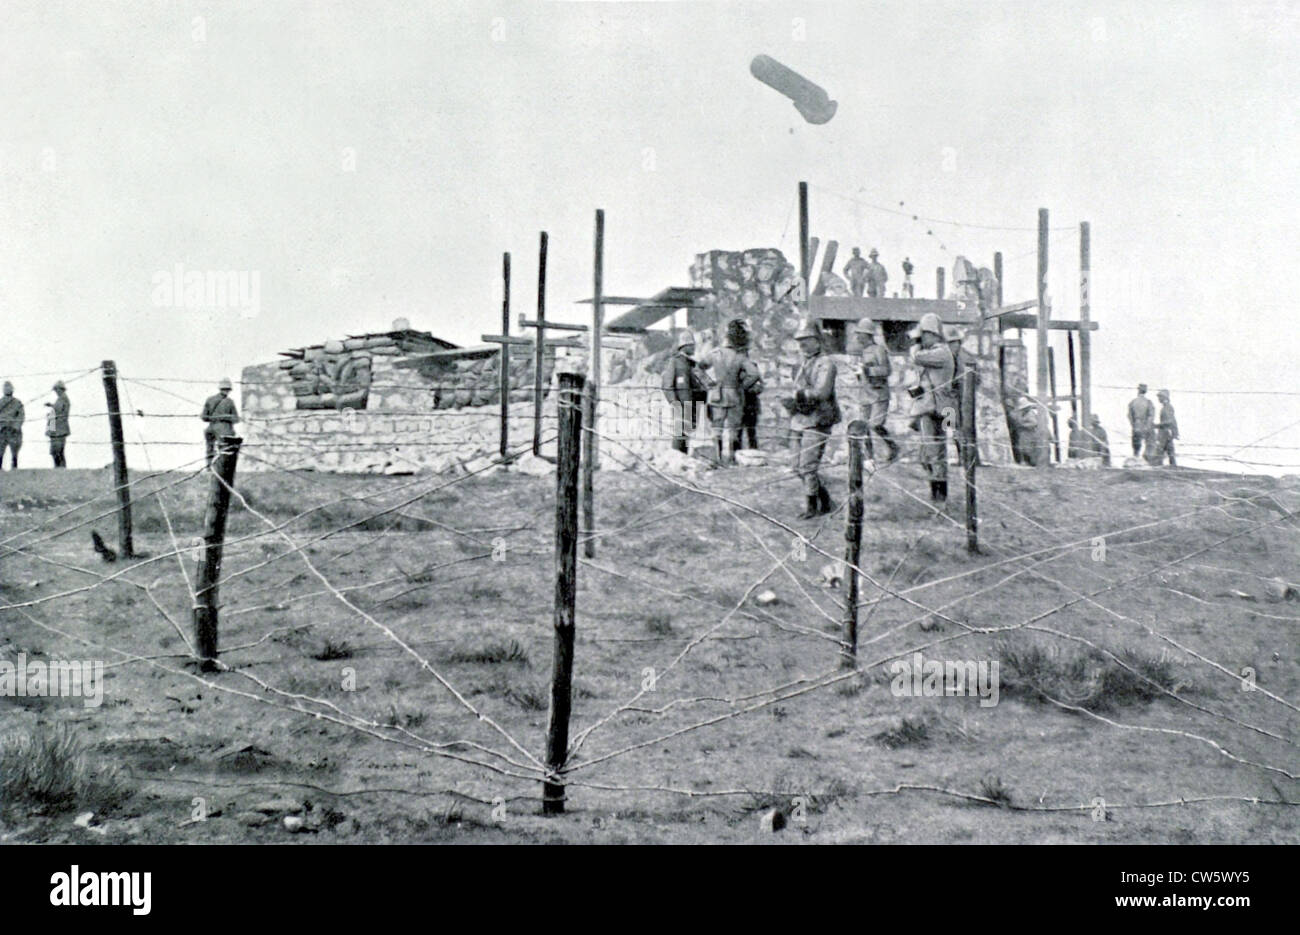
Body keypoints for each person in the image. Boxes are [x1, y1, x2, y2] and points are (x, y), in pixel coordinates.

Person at [787, 320, 840, 519]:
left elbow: (822, 392)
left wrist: (800, 394)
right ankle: (826, 501)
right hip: (800, 418)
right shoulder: (803, 363)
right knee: (796, 466)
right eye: (800, 341)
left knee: (808, 466)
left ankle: (812, 507)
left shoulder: (826, 363)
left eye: (806, 340)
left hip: (819, 419)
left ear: (818, 341)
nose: (802, 345)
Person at [908, 312, 956, 503]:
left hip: (938, 408)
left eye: (923, 335)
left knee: (935, 452)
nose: (921, 339)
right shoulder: (936, 353)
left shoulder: (941, 352)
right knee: (928, 454)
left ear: (932, 334)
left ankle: (939, 497)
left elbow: (916, 357)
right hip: (934, 406)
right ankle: (936, 494)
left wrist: (914, 344)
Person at [700, 319, 760, 465]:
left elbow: (698, 368)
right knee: (734, 428)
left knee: (717, 428)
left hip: (716, 395)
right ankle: (733, 458)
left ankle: (718, 458)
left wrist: (708, 382)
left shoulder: (714, 353)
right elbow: (754, 374)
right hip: (734, 395)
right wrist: (742, 386)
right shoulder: (740, 357)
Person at [853, 318, 898, 463]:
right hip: (865, 393)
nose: (858, 337)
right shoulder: (863, 351)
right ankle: (869, 457)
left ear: (868, 335)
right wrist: (859, 373)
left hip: (879, 394)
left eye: (861, 334)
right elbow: (863, 375)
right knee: (864, 426)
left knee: (876, 425)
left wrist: (867, 370)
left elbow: (886, 370)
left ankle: (893, 447)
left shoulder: (879, 350)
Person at [660, 332, 707, 454]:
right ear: (684, 346)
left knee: (686, 435)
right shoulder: (674, 362)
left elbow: (698, 385)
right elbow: (667, 386)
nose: (694, 348)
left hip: (691, 406)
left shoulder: (692, 364)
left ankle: (683, 461)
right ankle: (676, 461)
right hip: (680, 405)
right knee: (679, 435)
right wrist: (675, 403)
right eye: (691, 345)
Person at [201, 377, 241, 465]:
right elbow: (236, 419)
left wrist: (214, 417)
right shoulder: (229, 402)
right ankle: (220, 469)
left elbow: (203, 417)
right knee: (224, 451)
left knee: (209, 449)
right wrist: (226, 417)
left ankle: (209, 467)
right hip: (224, 430)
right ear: (229, 389)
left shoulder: (210, 399)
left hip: (210, 428)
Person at [738, 323, 764, 450]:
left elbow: (760, 384)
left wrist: (756, 389)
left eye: (745, 352)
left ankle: (754, 452)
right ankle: (736, 454)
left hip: (751, 402)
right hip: (738, 402)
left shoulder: (753, 365)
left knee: (751, 430)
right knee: (737, 431)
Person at [1147, 389, 1179, 466]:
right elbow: (1173, 421)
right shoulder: (1167, 407)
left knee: (1159, 455)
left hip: (1164, 434)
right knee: (1169, 455)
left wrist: (1156, 425)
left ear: (1164, 397)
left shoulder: (1167, 408)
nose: (1158, 399)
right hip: (1166, 434)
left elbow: (1170, 421)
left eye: (1160, 397)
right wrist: (1175, 432)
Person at [44, 380, 70, 468]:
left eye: (57, 390)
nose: (56, 392)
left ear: (61, 389)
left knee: (58, 451)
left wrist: (51, 407)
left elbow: (58, 410)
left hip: (59, 429)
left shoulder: (63, 398)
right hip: (56, 429)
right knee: (56, 451)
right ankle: (59, 468)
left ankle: (60, 468)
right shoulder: (60, 399)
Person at [0, 381, 24, 470]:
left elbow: (21, 415)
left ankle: (14, 468)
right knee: (0, 451)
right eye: (6, 388)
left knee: (14, 451)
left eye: (9, 388)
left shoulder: (17, 402)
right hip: (2, 430)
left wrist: (16, 426)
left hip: (13, 431)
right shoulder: (0, 402)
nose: (7, 390)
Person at [1127, 383, 1155, 458]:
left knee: (1136, 446)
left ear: (1138, 391)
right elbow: (1151, 415)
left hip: (1136, 424)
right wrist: (1147, 426)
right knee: (1148, 443)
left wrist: (1133, 424)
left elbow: (1129, 415)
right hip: (1145, 424)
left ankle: (1136, 457)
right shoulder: (1148, 402)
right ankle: (1146, 459)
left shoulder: (1133, 402)